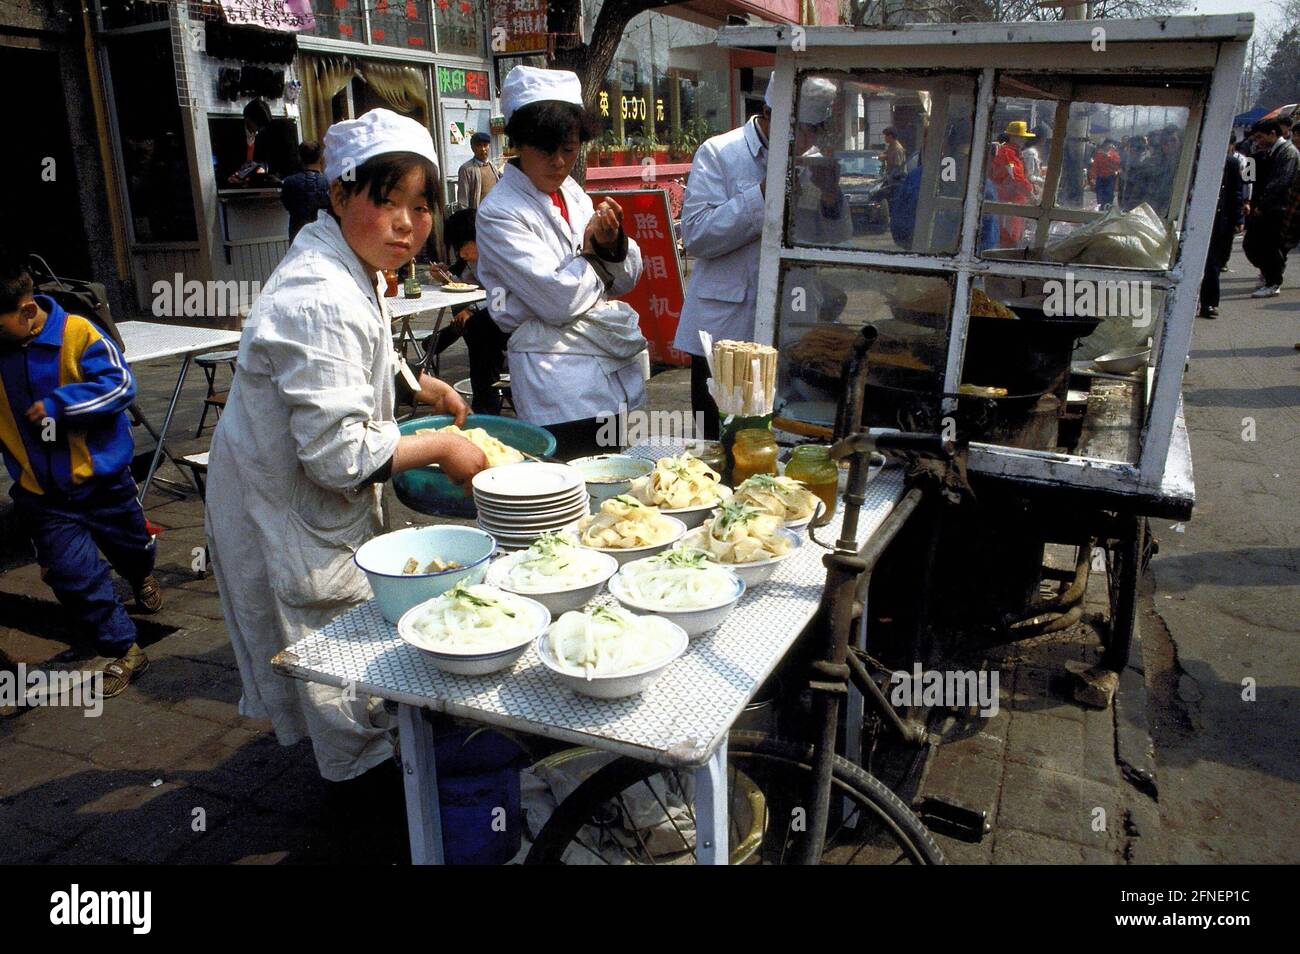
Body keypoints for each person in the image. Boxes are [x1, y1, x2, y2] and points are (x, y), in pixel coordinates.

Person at [205, 109, 488, 785]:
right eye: (385, 201)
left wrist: (421, 387)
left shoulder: (349, 265)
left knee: (351, 638)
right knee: (334, 661)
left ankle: (376, 763)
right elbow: (336, 456)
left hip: (299, 493)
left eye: (421, 207)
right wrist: (444, 446)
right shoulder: (318, 293)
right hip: (285, 501)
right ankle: (363, 792)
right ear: (338, 193)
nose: (406, 224)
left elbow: (367, 355)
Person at [0, 251, 161, 699]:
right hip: (42, 494)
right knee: (73, 574)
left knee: (130, 548)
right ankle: (125, 648)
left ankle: (140, 573)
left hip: (103, 483)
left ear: (26, 310)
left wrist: (60, 405)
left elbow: (121, 386)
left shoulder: (77, 333)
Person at [475, 66, 646, 459]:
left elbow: (628, 278)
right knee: (575, 487)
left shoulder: (573, 192)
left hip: (613, 376)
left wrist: (612, 244)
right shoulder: (499, 211)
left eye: (568, 150)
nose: (558, 162)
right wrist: (593, 257)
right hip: (559, 386)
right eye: (545, 149)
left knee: (626, 484)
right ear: (518, 142)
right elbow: (559, 299)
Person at [672, 80, 773, 439]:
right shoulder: (720, 152)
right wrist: (760, 198)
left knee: (767, 441)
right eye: (796, 129)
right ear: (768, 114)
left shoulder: (810, 158)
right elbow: (695, 234)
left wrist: (827, 203)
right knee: (716, 441)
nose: (804, 141)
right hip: (723, 330)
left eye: (813, 131)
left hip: (783, 325)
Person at [425, 209, 510, 414]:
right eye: (457, 248)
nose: (461, 253)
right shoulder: (467, 262)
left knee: (476, 329)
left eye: (462, 246)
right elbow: (464, 286)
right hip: (485, 325)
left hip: (508, 319)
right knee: (475, 331)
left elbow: (501, 297)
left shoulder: (501, 255)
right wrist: (445, 276)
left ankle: (437, 342)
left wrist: (472, 310)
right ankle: (484, 407)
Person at [1243, 119, 1300, 298]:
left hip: (1278, 209)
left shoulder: (1288, 153)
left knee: (1271, 247)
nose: (1258, 141)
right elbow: (1248, 177)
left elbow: (1280, 183)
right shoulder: (1259, 153)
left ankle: (1273, 281)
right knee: (1252, 245)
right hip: (1266, 207)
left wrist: (1261, 204)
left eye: (1260, 137)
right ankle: (1270, 275)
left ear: (1273, 134)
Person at [1198, 139, 1245, 319]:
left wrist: (1238, 217)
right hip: (1190, 219)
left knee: (1212, 264)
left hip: (1217, 221)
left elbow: (1236, 192)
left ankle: (1208, 303)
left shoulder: (1231, 163)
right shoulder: (1191, 160)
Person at [987, 120, 1037, 245]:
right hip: (1009, 202)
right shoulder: (1007, 153)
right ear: (1014, 137)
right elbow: (1017, 179)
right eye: (1022, 137)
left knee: (1012, 237)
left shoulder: (1013, 153)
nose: (1024, 140)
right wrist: (1031, 196)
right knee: (1009, 238)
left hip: (1013, 202)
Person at [280, 140, 330, 240]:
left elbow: (287, 204)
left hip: (298, 233)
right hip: (323, 235)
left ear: (300, 158)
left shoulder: (289, 182)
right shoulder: (328, 183)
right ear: (320, 158)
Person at [456, 132, 498, 211]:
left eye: (485, 145)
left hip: (495, 214)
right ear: (472, 148)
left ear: (489, 147)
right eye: (479, 146)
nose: (483, 149)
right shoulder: (466, 169)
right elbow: (463, 201)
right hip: (477, 217)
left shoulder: (493, 167)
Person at [1088, 138, 1122, 210]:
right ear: (1104, 145)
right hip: (1100, 177)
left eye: (1110, 144)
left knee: (1109, 193)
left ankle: (1108, 207)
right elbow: (1095, 166)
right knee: (1100, 193)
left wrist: (1108, 158)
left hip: (1110, 177)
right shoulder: (1099, 154)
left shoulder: (1114, 154)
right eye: (1107, 144)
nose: (1109, 146)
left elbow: (1117, 164)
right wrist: (1092, 177)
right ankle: (1101, 207)